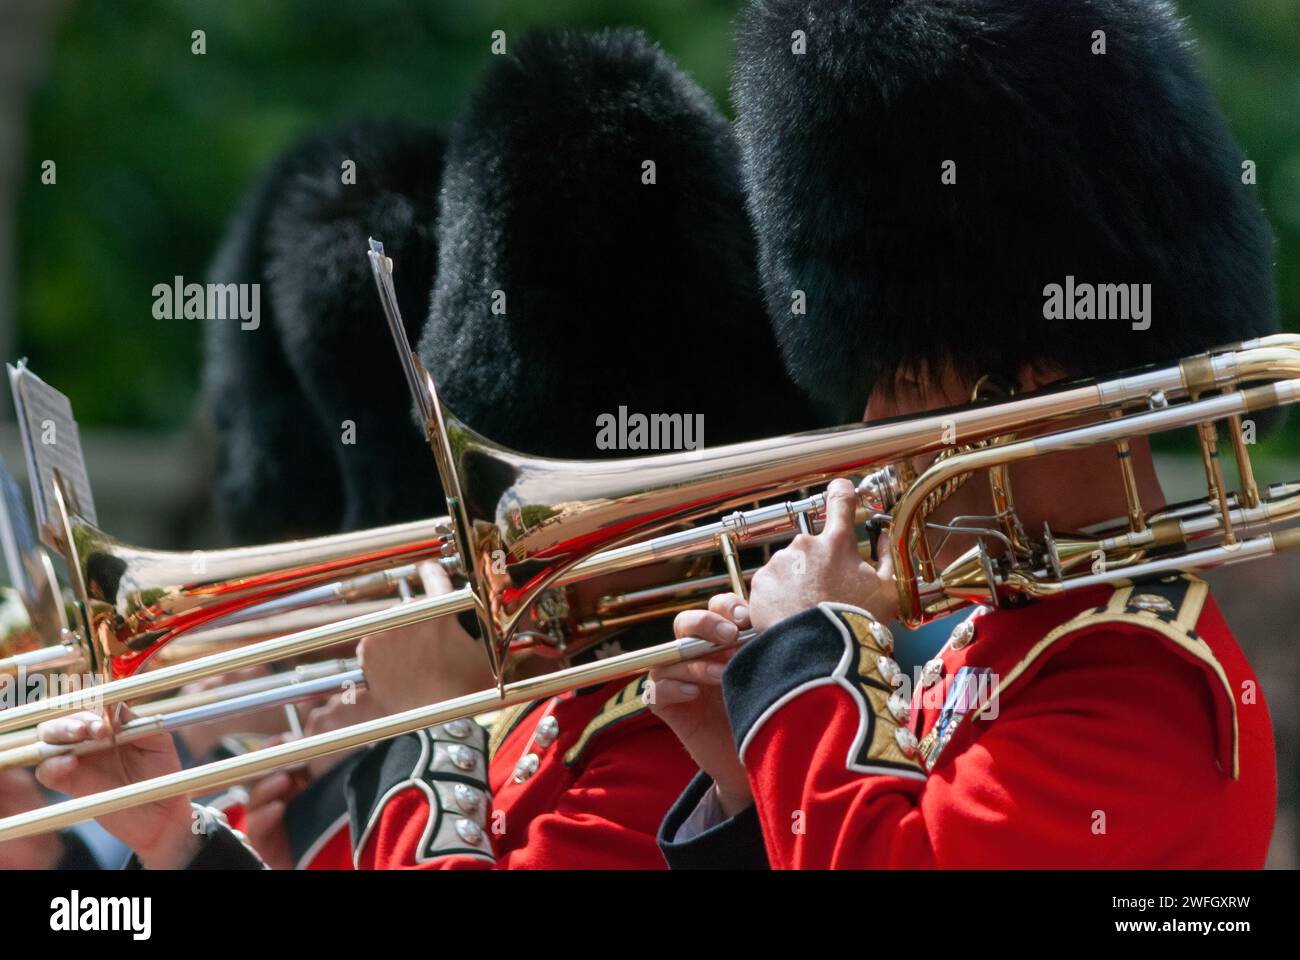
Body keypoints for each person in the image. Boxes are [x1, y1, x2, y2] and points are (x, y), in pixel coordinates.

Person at [32, 27, 826, 870]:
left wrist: (426, 733)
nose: (506, 533)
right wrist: (179, 844)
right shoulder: (557, 718)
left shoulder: (671, 745)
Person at [649, 0, 1279, 868]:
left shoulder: (1140, 686)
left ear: (1043, 383)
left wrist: (806, 669)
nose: (869, 428)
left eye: (905, 382)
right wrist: (748, 774)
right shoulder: (996, 643)